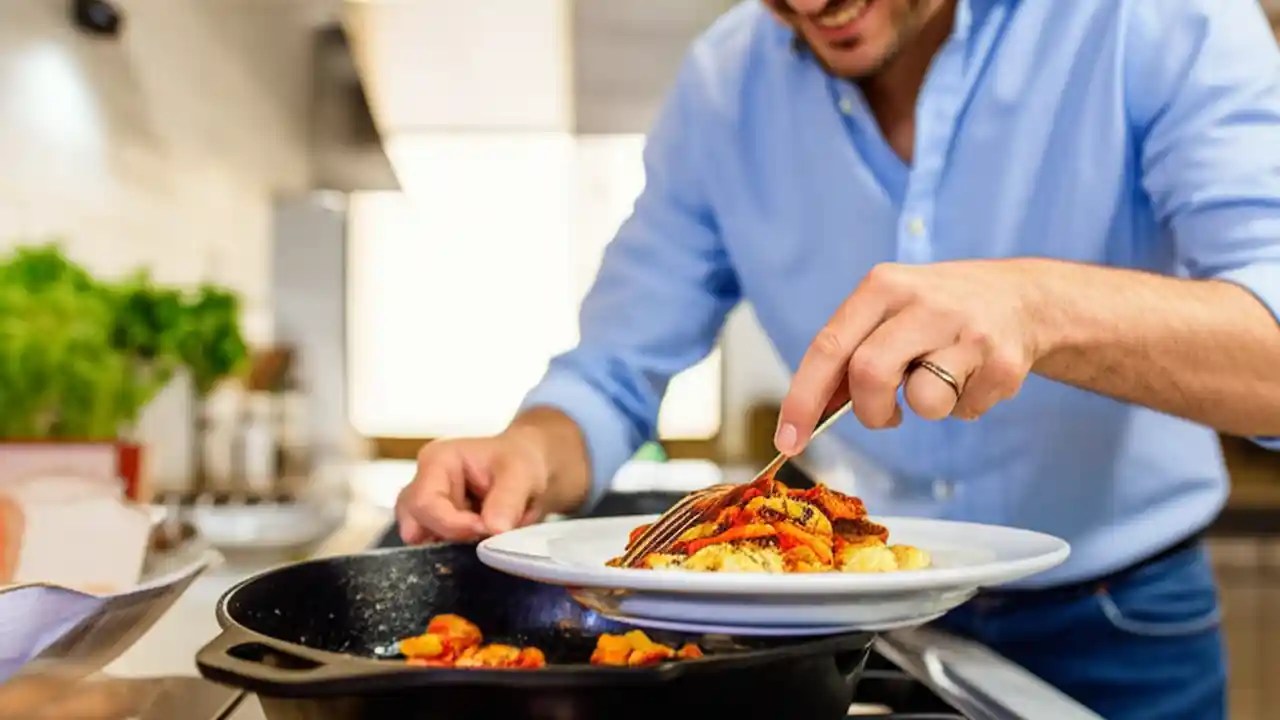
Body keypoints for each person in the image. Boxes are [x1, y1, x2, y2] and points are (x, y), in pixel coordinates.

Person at [396, 1, 1280, 717]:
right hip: (844, 627)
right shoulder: (723, 85)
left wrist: (1038, 306)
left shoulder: (1156, 18)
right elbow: (611, 372)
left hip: (1121, 625)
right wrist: (528, 453)